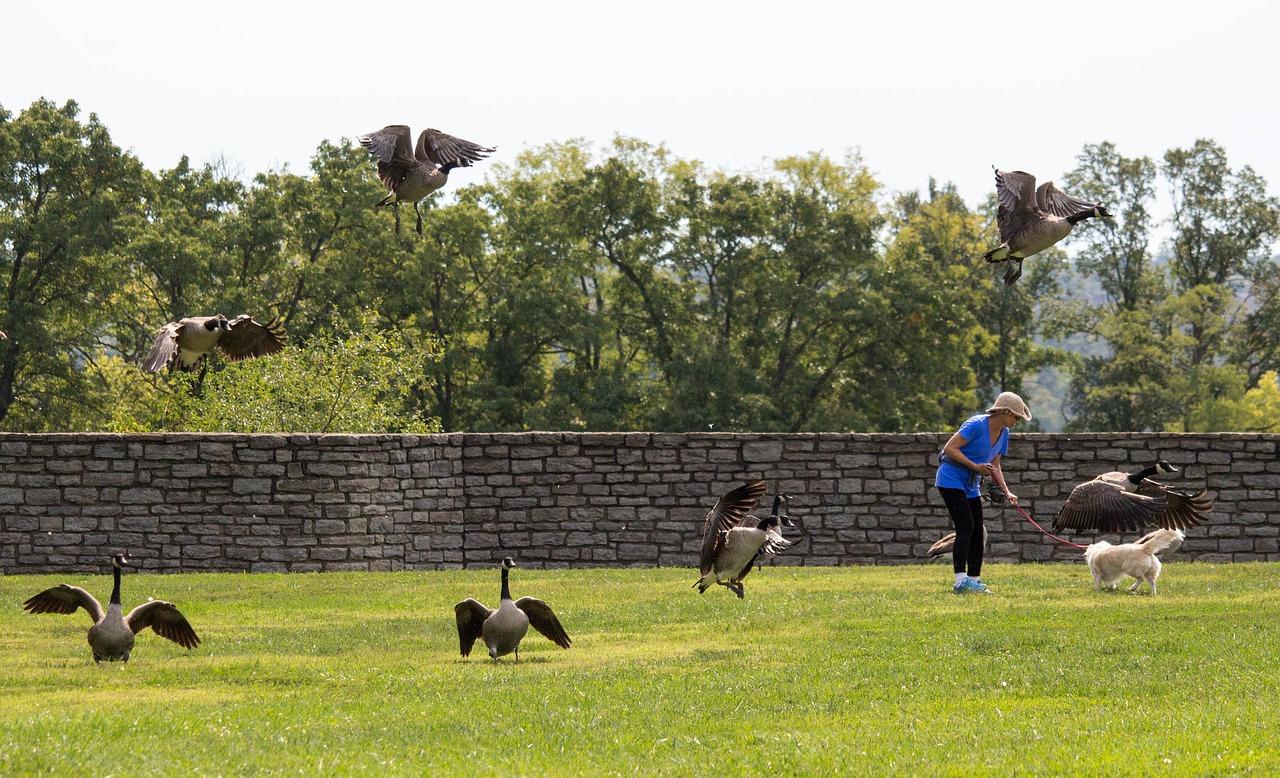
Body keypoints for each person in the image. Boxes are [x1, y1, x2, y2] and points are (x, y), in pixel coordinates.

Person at [934, 392, 1031, 594]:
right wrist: (975, 466)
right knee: (966, 526)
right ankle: (960, 581)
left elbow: (996, 465)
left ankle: (974, 580)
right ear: (1004, 412)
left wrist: (1007, 491)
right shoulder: (976, 425)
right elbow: (950, 448)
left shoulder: (1004, 433)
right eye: (1016, 417)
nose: (1017, 421)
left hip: (971, 484)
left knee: (978, 531)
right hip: (950, 479)